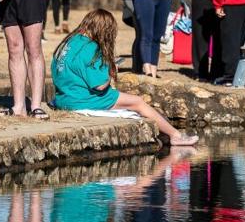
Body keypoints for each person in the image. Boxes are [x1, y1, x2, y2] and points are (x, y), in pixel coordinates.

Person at [50, 9, 198, 145]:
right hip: (82, 100)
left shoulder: (70, 41)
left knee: (134, 103)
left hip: (64, 97)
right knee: (138, 102)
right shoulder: (91, 48)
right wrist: (110, 69)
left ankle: (168, 134)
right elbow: (99, 86)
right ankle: (175, 136)